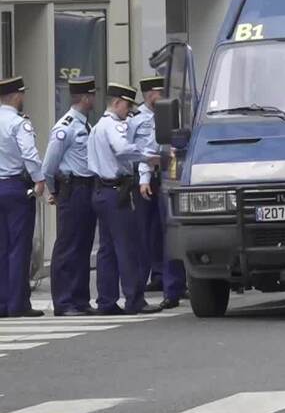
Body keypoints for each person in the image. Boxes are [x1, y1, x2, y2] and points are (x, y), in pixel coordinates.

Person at [89, 83, 163, 315]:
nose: (128, 111)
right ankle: (134, 300)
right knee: (127, 247)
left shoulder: (97, 127)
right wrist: (147, 157)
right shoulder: (113, 126)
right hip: (116, 191)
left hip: (100, 190)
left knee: (107, 250)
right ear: (117, 103)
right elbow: (122, 149)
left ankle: (106, 301)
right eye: (127, 106)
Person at [44, 77, 98, 316]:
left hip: (86, 188)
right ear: (85, 98)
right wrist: (55, 192)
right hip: (72, 189)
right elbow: (48, 166)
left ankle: (80, 299)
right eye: (92, 95)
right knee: (68, 247)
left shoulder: (84, 124)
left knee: (83, 246)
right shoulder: (65, 127)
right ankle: (64, 302)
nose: (94, 99)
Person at [129, 76, 184, 309]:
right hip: (150, 177)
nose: (161, 96)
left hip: (171, 178)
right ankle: (156, 281)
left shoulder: (171, 116)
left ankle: (174, 285)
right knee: (146, 232)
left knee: (169, 232)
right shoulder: (136, 119)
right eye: (157, 92)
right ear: (149, 94)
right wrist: (142, 178)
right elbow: (142, 152)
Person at [0, 76, 46, 317]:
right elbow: (29, 154)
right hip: (16, 188)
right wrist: (39, 180)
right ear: (16, 96)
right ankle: (17, 304)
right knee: (19, 248)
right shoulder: (19, 123)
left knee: (1, 248)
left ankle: (2, 303)